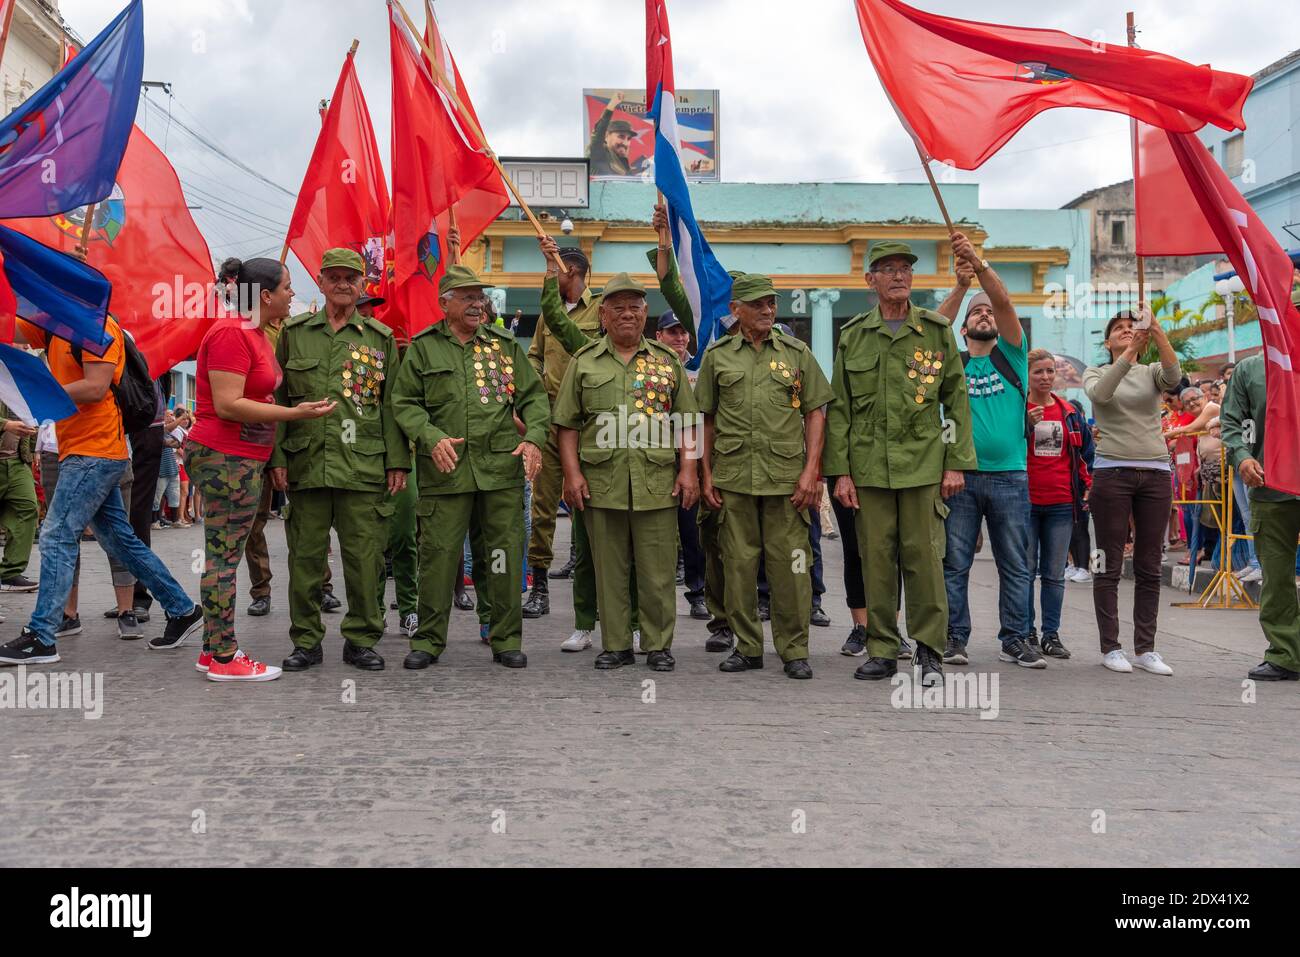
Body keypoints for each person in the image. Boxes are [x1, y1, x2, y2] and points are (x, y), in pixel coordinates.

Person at [0, 315, 203, 665]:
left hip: (94, 453)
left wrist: (37, 397)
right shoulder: (53, 323)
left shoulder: (95, 325)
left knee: (57, 534)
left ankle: (42, 636)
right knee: (120, 541)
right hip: (83, 451)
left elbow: (96, 386)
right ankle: (182, 608)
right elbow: (9, 327)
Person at [824, 241, 976, 686]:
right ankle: (883, 649)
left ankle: (929, 650)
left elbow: (956, 400)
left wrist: (956, 464)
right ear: (870, 280)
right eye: (887, 269)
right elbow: (842, 410)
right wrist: (841, 472)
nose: (898, 276)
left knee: (925, 559)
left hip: (923, 467)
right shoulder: (853, 335)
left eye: (905, 269)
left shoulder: (934, 331)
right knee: (876, 560)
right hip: (870, 469)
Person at [391, 265, 547, 669]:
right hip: (446, 469)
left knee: (502, 555)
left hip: (499, 470)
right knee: (439, 556)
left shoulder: (504, 346)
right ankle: (427, 640)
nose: (478, 303)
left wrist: (533, 437)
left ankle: (505, 636)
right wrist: (429, 436)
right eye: (467, 297)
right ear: (445, 303)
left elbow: (532, 397)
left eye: (481, 296)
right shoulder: (424, 348)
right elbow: (404, 402)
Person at [186, 257, 334, 680]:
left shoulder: (252, 333)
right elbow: (228, 403)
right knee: (223, 559)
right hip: (225, 457)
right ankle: (226, 658)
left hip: (239, 456)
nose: (292, 294)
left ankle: (211, 649)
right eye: (287, 287)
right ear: (265, 295)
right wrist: (294, 414)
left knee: (222, 556)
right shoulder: (233, 333)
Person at [268, 248, 411, 673]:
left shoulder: (380, 339)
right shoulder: (294, 333)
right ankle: (306, 641)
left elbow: (392, 405)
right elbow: (277, 399)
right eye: (334, 277)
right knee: (305, 560)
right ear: (322, 282)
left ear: (362, 284)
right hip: (305, 464)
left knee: (365, 560)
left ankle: (363, 639)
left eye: (352, 277)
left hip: (363, 467)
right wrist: (276, 456)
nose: (343, 284)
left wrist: (397, 462)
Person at [553, 273, 699, 671]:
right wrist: (572, 475)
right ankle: (615, 645)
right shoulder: (584, 363)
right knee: (609, 569)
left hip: (657, 484)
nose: (627, 314)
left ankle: (657, 646)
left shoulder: (665, 361)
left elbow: (688, 423)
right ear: (603, 316)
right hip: (602, 483)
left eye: (635, 306)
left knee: (657, 572)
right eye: (617, 307)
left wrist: (689, 471)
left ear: (646, 313)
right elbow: (566, 424)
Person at [696, 277, 832, 679]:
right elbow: (705, 418)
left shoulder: (796, 353)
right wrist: (705, 473)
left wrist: (812, 470)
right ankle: (748, 646)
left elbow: (816, 413)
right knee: (737, 565)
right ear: (736, 310)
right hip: (734, 478)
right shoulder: (718, 357)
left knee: (791, 567)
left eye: (771, 304)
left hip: (787, 481)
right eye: (758, 305)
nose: (768, 311)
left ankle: (794, 649)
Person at [934, 232, 1042, 669]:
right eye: (975, 312)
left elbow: (1005, 303)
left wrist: (977, 265)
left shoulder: (1013, 355)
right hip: (960, 475)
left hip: (1011, 476)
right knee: (954, 563)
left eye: (987, 310)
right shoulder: (951, 360)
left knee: (1016, 564)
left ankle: (1015, 638)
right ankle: (953, 638)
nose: (984, 314)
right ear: (964, 328)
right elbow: (930, 328)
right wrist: (960, 288)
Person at [1083, 307, 1182, 675]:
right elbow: (1103, 395)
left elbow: (1174, 377)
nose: (1127, 331)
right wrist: (1127, 354)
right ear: (1107, 341)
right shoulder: (1096, 372)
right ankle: (1111, 646)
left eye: (1131, 327)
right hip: (1112, 471)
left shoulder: (1150, 372)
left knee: (1149, 564)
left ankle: (1146, 648)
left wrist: (1156, 332)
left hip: (1155, 470)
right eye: (1118, 329)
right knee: (1107, 562)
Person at [1221, 349, 1300, 680]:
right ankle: (1285, 654)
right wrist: (1241, 457)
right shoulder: (1250, 369)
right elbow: (1231, 422)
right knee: (1277, 576)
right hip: (1270, 486)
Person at [1024, 348, 1093, 659]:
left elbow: (1084, 455)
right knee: (1023, 572)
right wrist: (1023, 423)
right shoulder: (1017, 410)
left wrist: (1088, 486)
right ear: (1027, 375)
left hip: (1062, 503)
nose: (1046, 377)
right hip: (1023, 502)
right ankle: (1026, 632)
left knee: (1054, 573)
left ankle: (1051, 634)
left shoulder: (1069, 412)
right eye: (1039, 371)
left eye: (1050, 371)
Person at [656, 309, 708, 621]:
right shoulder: (651, 366)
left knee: (693, 534)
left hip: (693, 458)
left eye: (683, 332)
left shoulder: (700, 367)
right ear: (659, 335)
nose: (679, 337)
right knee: (658, 536)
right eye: (672, 332)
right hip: (659, 457)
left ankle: (698, 593)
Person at [0, 403, 39, 592]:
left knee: (28, 507)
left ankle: (10, 573)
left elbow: (29, 413)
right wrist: (4, 424)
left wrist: (32, 448)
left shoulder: (15, 380)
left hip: (17, 460)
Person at [587, 91, 648, 178]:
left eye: (629, 139)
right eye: (621, 136)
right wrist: (612, 104)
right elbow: (599, 132)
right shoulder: (599, 153)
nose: (625, 143)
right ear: (606, 136)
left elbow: (625, 182)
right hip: (599, 191)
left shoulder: (622, 163)